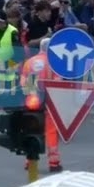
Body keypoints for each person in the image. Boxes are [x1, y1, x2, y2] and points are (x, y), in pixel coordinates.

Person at [21, 39, 61, 172]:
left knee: (32, 131)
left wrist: (31, 94)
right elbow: (58, 82)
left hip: (32, 101)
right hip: (49, 101)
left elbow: (23, 83)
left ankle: (30, 160)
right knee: (51, 131)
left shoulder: (29, 62)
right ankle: (53, 162)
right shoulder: (54, 63)